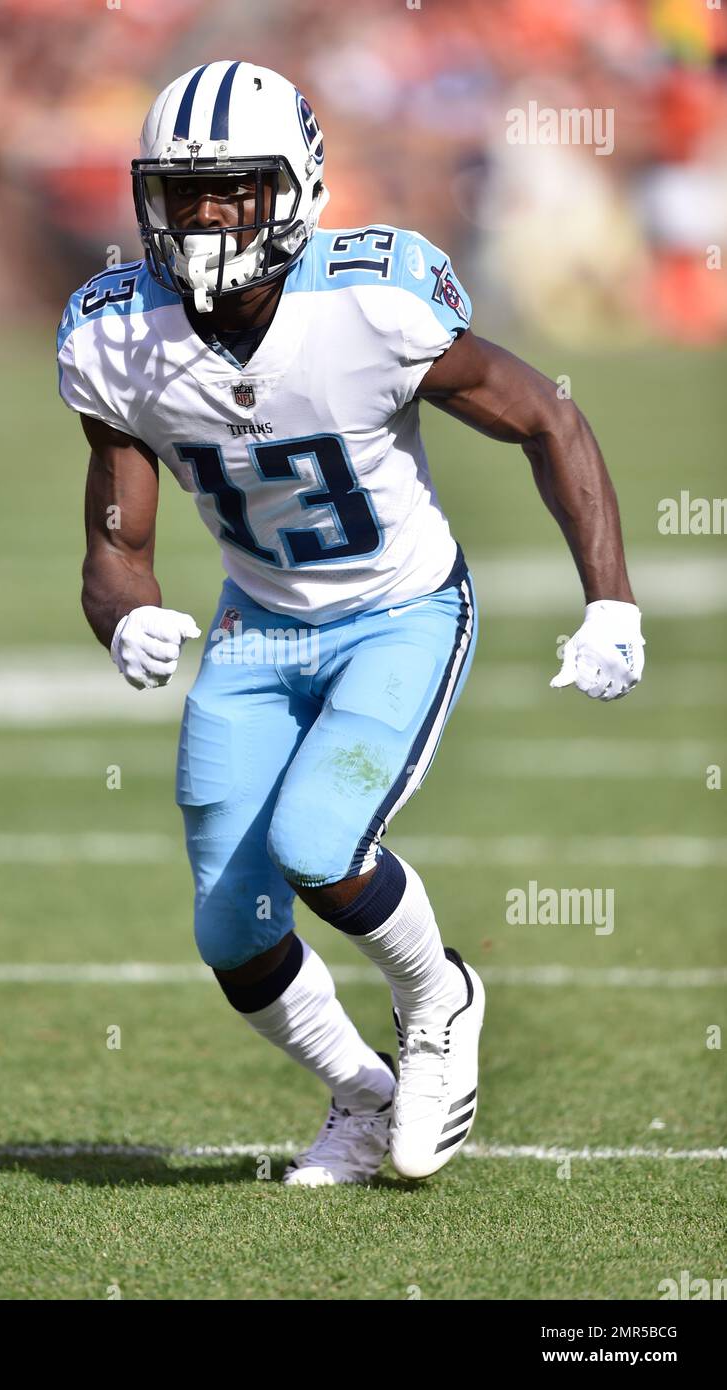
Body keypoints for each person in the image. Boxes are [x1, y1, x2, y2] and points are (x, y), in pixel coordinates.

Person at [57, 61, 645, 1186]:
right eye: (186, 193)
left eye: (235, 189)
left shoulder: (369, 299)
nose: (208, 216)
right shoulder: (116, 335)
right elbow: (114, 551)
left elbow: (547, 419)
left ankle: (439, 998)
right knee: (230, 930)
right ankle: (361, 1096)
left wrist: (607, 599)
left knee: (319, 844)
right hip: (256, 625)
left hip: (398, 611)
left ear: (299, 190)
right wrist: (124, 619)